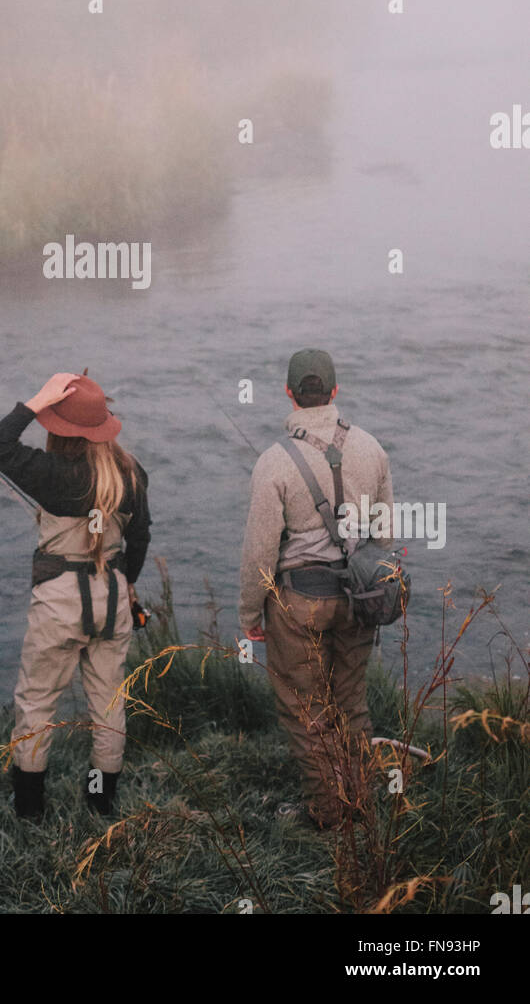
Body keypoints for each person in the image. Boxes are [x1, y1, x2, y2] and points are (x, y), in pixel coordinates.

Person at [0, 370, 151, 820]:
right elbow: (141, 539)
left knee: (37, 704)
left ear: (58, 428)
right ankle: (100, 806)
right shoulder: (131, 472)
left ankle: (30, 813)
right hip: (113, 598)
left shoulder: (48, 472)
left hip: (59, 604)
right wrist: (127, 585)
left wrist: (35, 401)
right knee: (109, 705)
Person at [238, 349, 394, 829]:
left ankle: (330, 815)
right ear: (335, 391)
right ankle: (362, 802)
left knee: (307, 711)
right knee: (352, 701)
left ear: (289, 394)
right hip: (358, 598)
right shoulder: (372, 448)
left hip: (298, 602)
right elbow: (384, 537)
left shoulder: (273, 461)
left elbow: (260, 551)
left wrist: (249, 615)